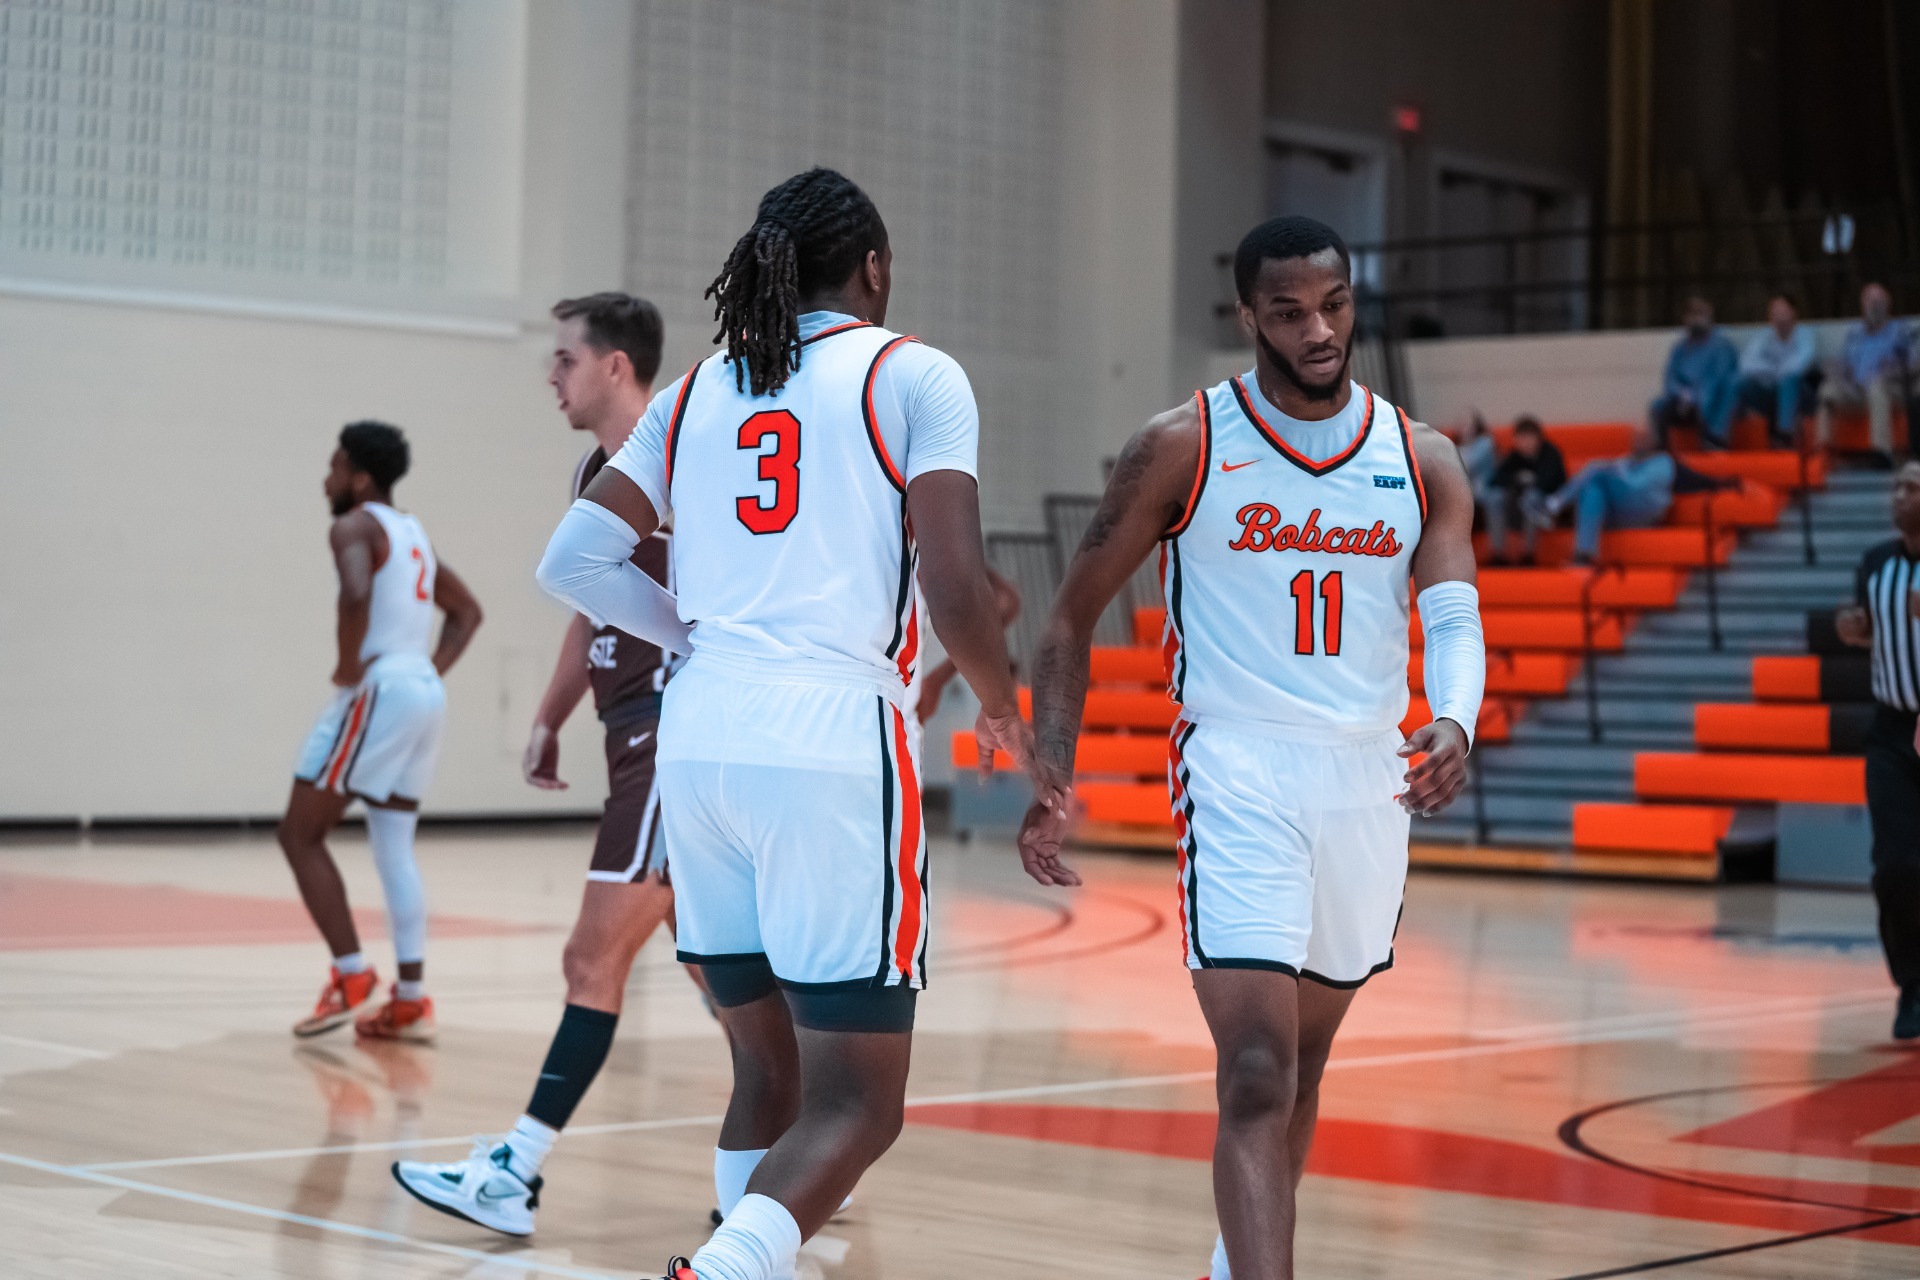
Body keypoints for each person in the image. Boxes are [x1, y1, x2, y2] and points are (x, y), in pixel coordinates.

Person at [534, 167, 1064, 1280]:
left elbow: (571, 560)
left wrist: (686, 633)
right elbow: (960, 587)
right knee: (861, 1101)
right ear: (873, 266)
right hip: (827, 738)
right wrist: (1007, 713)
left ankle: (740, 1258)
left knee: (765, 1075)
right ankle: (716, 1271)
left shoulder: (692, 390)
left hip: (702, 737)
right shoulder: (916, 374)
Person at [1016, 215, 1483, 1280]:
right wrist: (1052, 769)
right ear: (1247, 318)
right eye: (1288, 311)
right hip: (1236, 768)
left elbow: (1453, 614)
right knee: (1257, 1071)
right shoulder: (1183, 443)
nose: (1317, 329)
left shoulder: (1422, 457)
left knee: (1304, 1067)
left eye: (1333, 304)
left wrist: (1454, 714)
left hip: (1370, 778)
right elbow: (1065, 619)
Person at [393, 292, 705, 1235]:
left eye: (565, 359)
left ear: (617, 366)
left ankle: (513, 1173)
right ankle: (811, 1136)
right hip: (627, 731)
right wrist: (549, 714)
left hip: (669, 733)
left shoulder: (683, 453)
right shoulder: (595, 467)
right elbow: (593, 600)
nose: (551, 376)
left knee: (590, 957)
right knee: (716, 965)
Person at [280, 421, 484, 1042]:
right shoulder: (411, 531)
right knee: (393, 845)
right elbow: (468, 612)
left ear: (360, 477)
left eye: (335, 466)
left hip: (382, 689)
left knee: (299, 833)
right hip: (422, 690)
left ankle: (350, 974)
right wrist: (426, 670)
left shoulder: (353, 525)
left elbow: (354, 594)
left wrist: (348, 665)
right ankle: (412, 998)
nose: (327, 478)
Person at [1832, 459, 1920, 1042]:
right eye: (1896, 485)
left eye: (1912, 486)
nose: (1899, 494)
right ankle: (1912, 986)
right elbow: (1868, 631)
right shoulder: (1875, 563)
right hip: (1892, 731)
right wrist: (1856, 628)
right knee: (1895, 866)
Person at [1819, 283, 1915, 461]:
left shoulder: (1899, 330)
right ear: (1863, 305)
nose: (1874, 306)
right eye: (1870, 301)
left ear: (1888, 305)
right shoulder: (1855, 333)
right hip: (1856, 391)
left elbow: (1912, 363)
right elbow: (1844, 363)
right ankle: (1824, 451)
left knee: (1876, 386)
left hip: (1890, 390)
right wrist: (1836, 371)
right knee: (1827, 390)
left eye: (1879, 301)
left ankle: (1881, 452)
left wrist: (1891, 370)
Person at [1650, 296, 1739, 447]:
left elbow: (1718, 378)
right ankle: (1665, 454)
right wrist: (1681, 394)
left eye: (1701, 314)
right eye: (1692, 315)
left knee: (1714, 396)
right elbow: (1670, 377)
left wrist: (1695, 397)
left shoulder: (1721, 346)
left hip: (1708, 397)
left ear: (1710, 317)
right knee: (1658, 406)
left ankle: (1714, 440)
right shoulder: (1680, 348)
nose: (1697, 319)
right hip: (1682, 398)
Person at [1736, 295, 1817, 445]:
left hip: (1800, 392)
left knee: (1788, 380)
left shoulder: (1804, 334)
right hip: (1770, 391)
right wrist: (1773, 370)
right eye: (1775, 313)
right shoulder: (1764, 336)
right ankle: (1719, 439)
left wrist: (1771, 371)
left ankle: (1784, 436)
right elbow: (1746, 365)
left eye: (1784, 312)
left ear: (1793, 313)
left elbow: (1800, 365)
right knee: (1739, 383)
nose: (1780, 318)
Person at [1484, 416, 1565, 564]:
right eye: (1521, 438)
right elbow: (1494, 481)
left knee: (1531, 496)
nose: (1525, 442)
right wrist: (1517, 480)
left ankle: (1528, 555)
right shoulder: (1514, 457)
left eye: (1529, 437)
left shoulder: (1551, 454)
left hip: (1547, 512)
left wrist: (1528, 483)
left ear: (1539, 438)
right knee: (1494, 496)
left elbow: (1549, 483)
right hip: (1517, 511)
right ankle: (1498, 555)